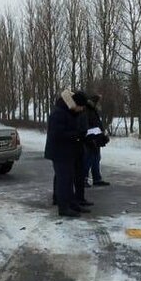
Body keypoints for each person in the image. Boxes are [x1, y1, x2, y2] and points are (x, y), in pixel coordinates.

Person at [44, 89, 89, 218]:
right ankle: (63, 207)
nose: (81, 110)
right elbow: (57, 134)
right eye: (80, 107)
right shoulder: (58, 113)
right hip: (59, 153)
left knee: (69, 179)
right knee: (64, 180)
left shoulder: (68, 111)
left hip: (68, 151)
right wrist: (76, 135)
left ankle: (72, 203)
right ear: (75, 104)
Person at [82, 94, 110, 187]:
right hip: (90, 138)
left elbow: (98, 123)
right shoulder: (86, 110)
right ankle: (83, 179)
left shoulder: (93, 110)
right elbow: (86, 125)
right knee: (88, 159)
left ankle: (97, 178)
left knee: (96, 158)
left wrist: (103, 133)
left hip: (96, 137)